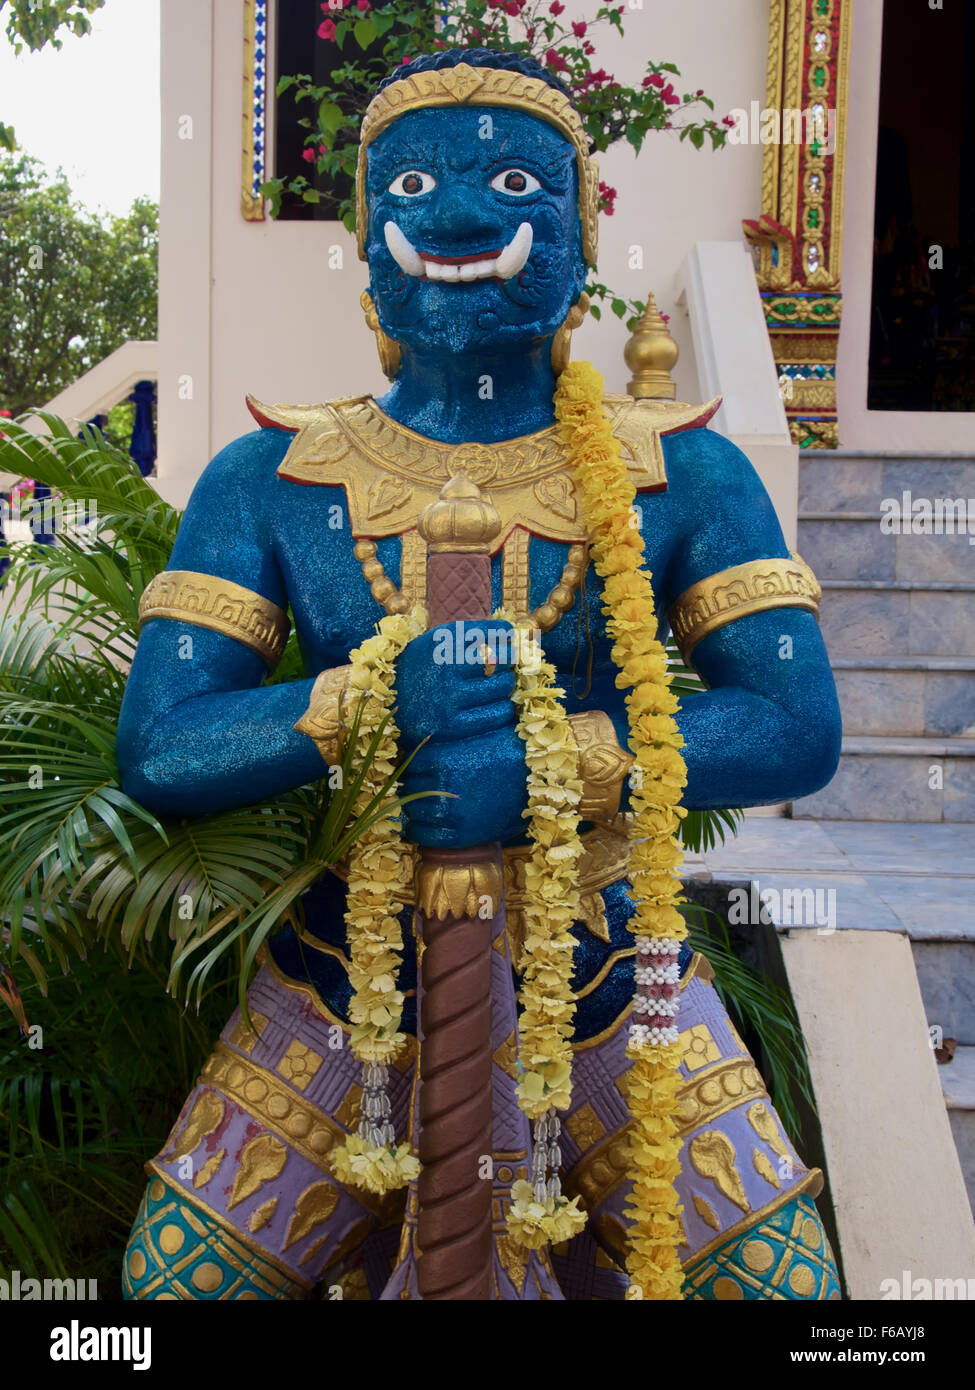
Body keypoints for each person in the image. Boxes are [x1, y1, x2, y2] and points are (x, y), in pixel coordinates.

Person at [118, 49, 842, 1301]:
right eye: (408, 181)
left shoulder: (685, 474)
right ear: (366, 231)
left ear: (579, 232)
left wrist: (555, 763)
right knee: (166, 1298)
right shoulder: (271, 479)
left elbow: (794, 722)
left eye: (513, 179)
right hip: (353, 971)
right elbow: (165, 744)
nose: (457, 217)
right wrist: (355, 705)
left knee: (787, 1300)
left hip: (612, 961)